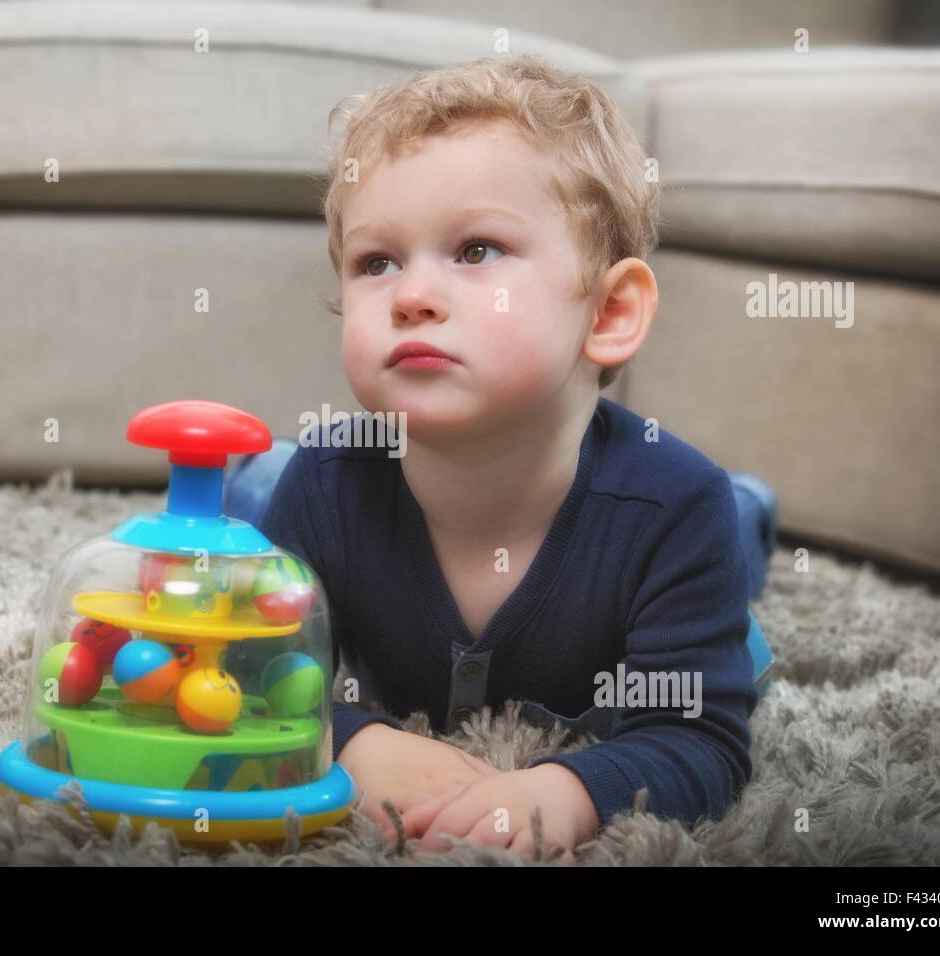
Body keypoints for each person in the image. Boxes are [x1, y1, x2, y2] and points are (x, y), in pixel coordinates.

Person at [257, 55, 759, 862]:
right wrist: (349, 740)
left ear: (610, 313)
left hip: (696, 508)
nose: (411, 294)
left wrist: (567, 790)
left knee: (737, 562)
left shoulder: (676, 507)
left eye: (477, 250)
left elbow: (702, 741)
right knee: (256, 499)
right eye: (377, 262)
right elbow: (252, 676)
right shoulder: (324, 483)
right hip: (307, 473)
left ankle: (753, 510)